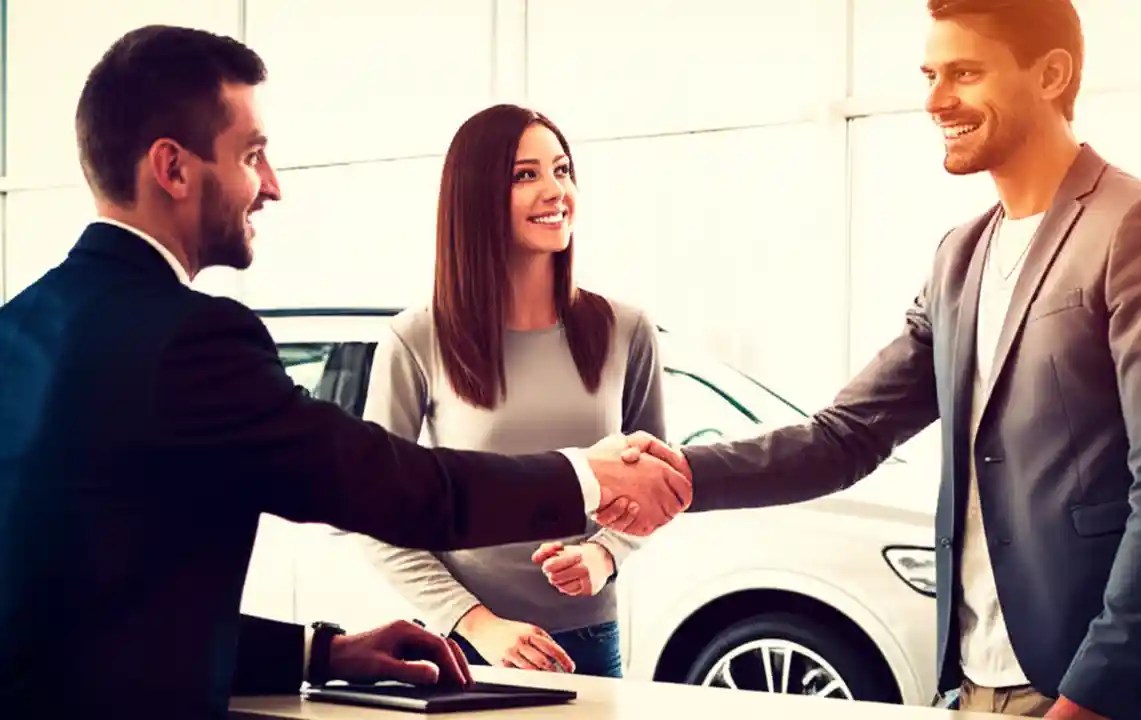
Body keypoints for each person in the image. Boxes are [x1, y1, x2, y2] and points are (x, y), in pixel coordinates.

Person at [0, 25, 689, 718]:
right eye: (253, 155)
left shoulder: (15, 329)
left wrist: (318, 655)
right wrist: (586, 477)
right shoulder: (195, 337)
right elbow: (387, 485)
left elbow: (101, 613)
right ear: (173, 169)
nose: (270, 186)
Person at [613, 1, 1141, 718]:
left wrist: (1094, 694)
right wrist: (682, 475)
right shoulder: (959, 257)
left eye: (965, 73)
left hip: (1096, 687)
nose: (937, 99)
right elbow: (846, 434)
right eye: (931, 74)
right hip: (974, 678)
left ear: (1051, 74)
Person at [356, 104, 664, 679]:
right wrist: (478, 624)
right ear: (476, 197)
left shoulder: (628, 330)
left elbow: (659, 489)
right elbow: (376, 515)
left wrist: (604, 553)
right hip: (463, 647)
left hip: (589, 641)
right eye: (526, 175)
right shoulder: (416, 338)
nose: (555, 190)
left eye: (563, 170)